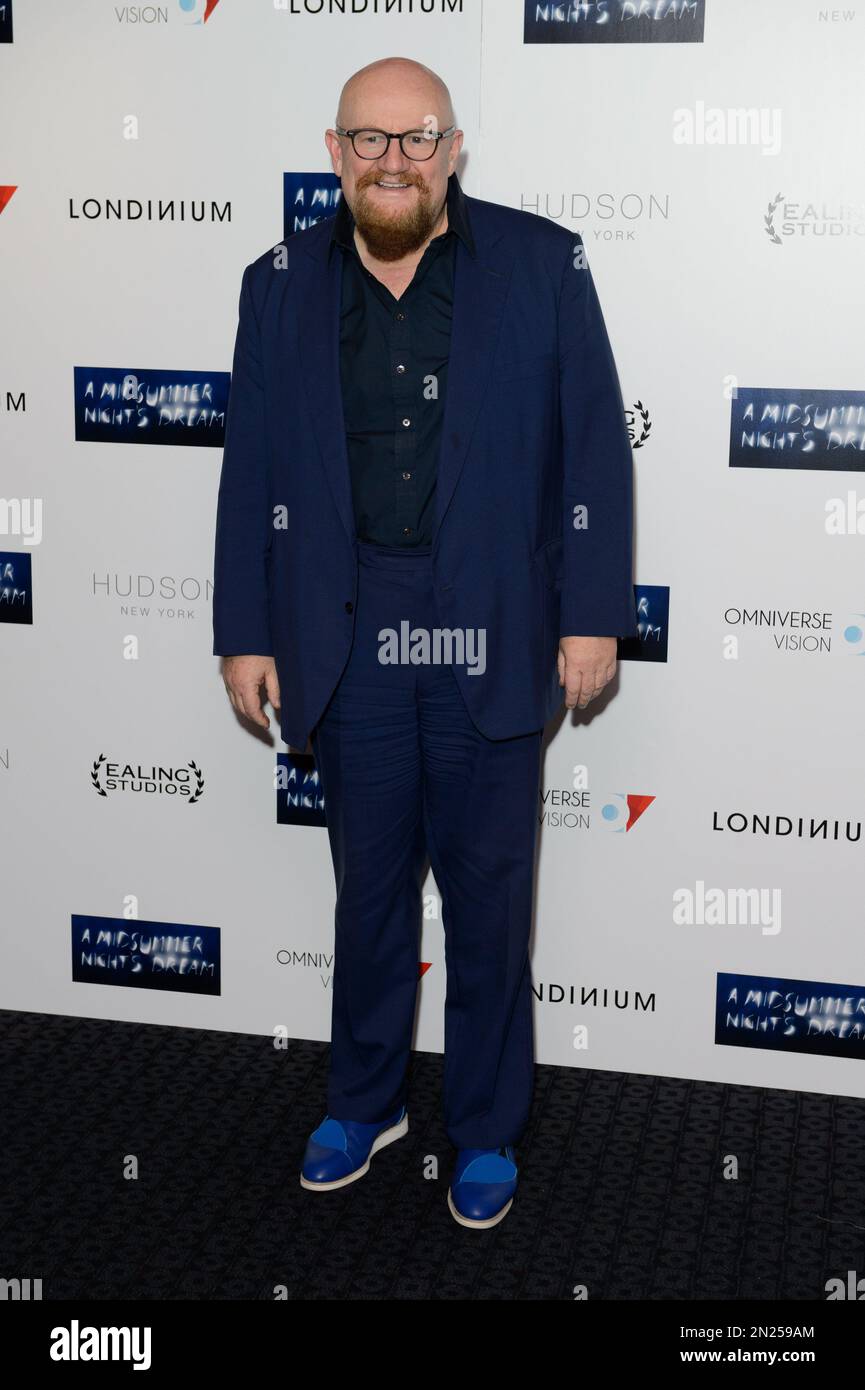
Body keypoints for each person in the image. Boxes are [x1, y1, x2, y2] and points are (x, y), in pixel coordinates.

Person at [212, 56, 637, 1230]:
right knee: (368, 890)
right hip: (344, 627)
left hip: (493, 622)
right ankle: (364, 1097)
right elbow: (250, 468)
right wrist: (244, 631)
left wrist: (592, 612)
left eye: (416, 139)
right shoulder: (278, 281)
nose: (391, 161)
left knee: (491, 895)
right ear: (333, 149)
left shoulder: (542, 266)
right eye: (368, 140)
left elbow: (593, 447)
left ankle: (487, 1126)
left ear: (453, 149)